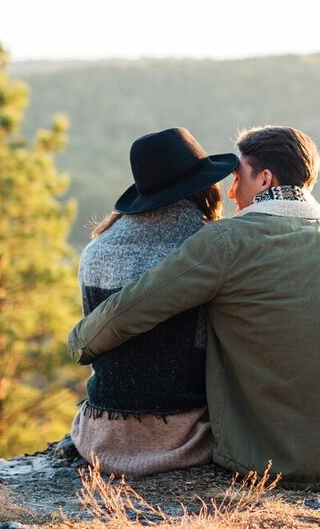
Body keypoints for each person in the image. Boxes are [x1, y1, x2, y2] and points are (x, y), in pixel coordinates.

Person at [68, 125, 320, 490]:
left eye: (237, 178)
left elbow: (130, 311)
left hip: (271, 459)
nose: (230, 192)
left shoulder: (225, 242)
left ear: (264, 179)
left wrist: (79, 342)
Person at [70, 127, 238, 477]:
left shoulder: (96, 249)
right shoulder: (209, 245)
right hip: (182, 436)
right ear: (207, 186)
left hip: (100, 436)